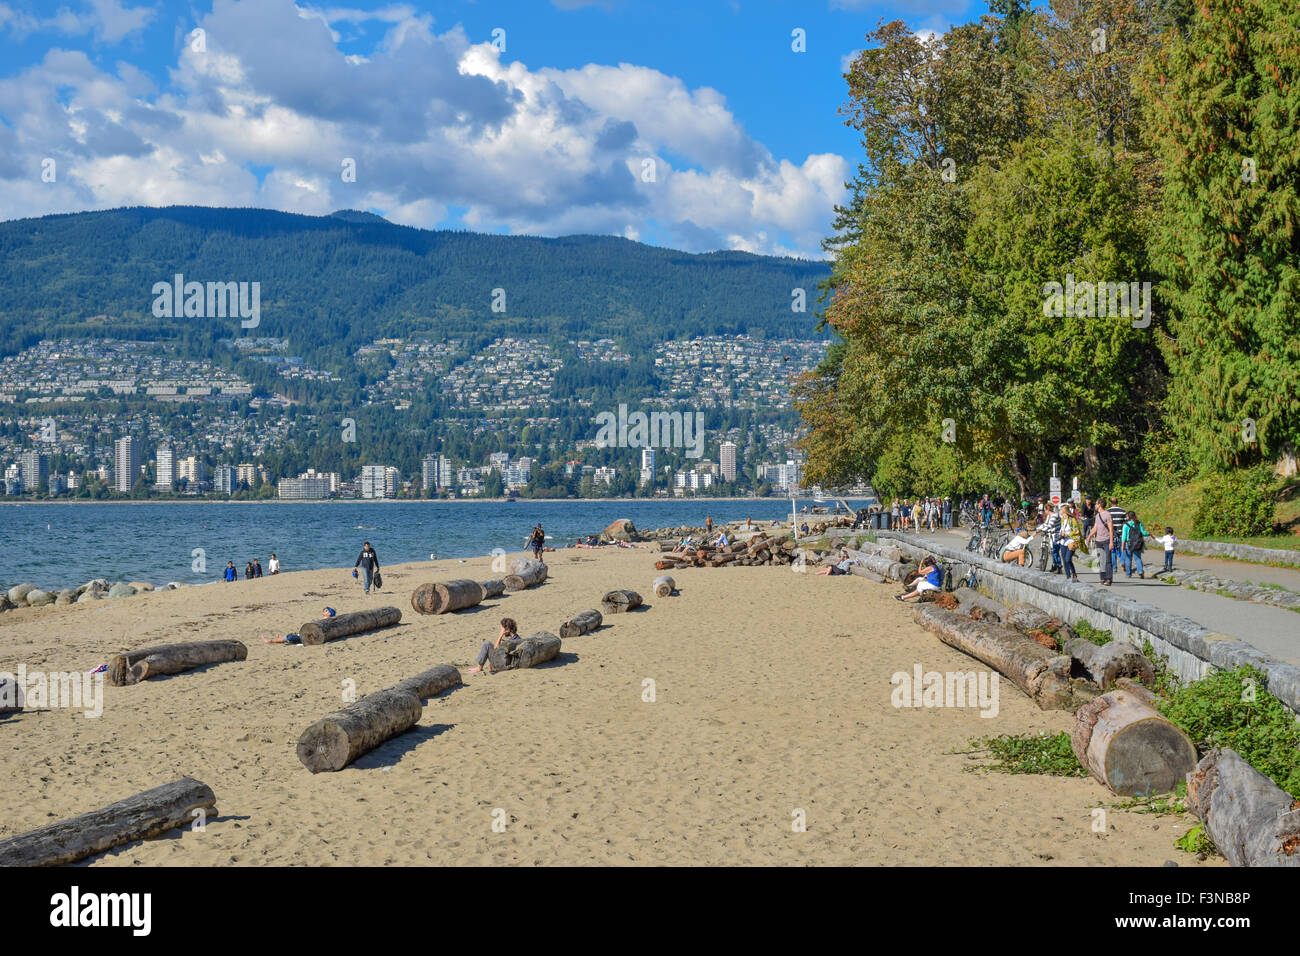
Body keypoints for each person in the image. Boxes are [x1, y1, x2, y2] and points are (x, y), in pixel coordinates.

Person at [262, 607, 336, 645]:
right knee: (293, 636)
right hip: (311, 636)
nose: (323, 611)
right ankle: (281, 638)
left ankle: (270, 641)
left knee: (290, 637)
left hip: (311, 639)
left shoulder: (324, 622)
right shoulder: (327, 621)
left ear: (329, 613)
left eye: (326, 611)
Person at [1087, 496, 1114, 585]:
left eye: (1096, 503)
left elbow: (1111, 529)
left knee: (1108, 560)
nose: (1095, 505)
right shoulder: (1097, 515)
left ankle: (1109, 579)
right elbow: (1095, 527)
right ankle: (1102, 578)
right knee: (1101, 559)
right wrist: (1089, 536)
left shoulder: (1107, 514)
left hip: (1106, 540)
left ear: (1100, 505)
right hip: (1098, 540)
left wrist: (1111, 542)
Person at [1058, 503, 1081, 582]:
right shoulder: (1063, 520)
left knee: (1068, 559)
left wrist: (1067, 534)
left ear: (1064, 511)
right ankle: (1068, 577)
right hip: (1063, 542)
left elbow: (1076, 531)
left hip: (1071, 542)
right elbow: (1062, 529)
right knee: (1064, 560)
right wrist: (1061, 533)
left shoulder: (1072, 520)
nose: (1059, 511)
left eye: (1060, 510)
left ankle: (1074, 573)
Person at [1122, 511, 1149, 579]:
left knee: (1128, 559)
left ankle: (1128, 574)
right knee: (1138, 558)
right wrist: (1149, 534)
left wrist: (1123, 545)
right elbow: (1143, 533)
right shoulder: (1139, 523)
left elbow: (1124, 537)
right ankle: (1140, 571)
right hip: (1138, 543)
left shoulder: (1126, 525)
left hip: (1129, 544)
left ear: (1128, 517)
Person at [1106, 498, 1128, 576]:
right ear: (1117, 502)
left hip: (1111, 534)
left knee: (1113, 551)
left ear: (1110, 503)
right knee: (1122, 549)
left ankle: (1114, 568)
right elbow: (1126, 522)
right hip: (1121, 533)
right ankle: (1122, 562)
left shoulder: (1107, 511)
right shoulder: (1122, 511)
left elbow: (1106, 523)